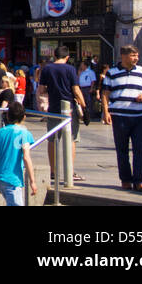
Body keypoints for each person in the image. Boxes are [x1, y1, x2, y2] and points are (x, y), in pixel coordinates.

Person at [101, 45, 142, 193]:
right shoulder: (112, 73)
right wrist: (106, 112)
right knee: (122, 149)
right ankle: (125, 179)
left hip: (139, 116)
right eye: (133, 55)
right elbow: (105, 94)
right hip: (120, 116)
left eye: (137, 55)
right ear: (123, 56)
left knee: (140, 149)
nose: (136, 58)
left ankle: (139, 180)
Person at [38, 45, 85, 183]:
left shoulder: (47, 69)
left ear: (54, 55)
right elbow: (75, 90)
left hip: (53, 108)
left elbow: (41, 89)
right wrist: (84, 105)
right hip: (69, 108)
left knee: (52, 139)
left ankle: (53, 171)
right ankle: (69, 171)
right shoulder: (70, 69)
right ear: (67, 57)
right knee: (71, 139)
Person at [0, 101, 36, 205]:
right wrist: (32, 181)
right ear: (24, 117)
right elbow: (26, 157)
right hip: (12, 179)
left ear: (8, 117)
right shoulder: (24, 133)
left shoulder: (0, 132)